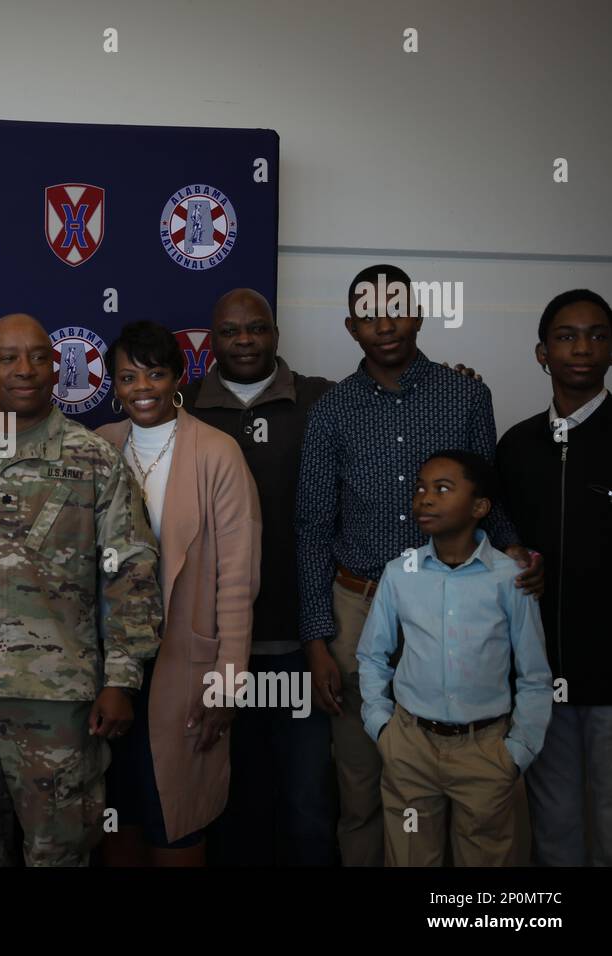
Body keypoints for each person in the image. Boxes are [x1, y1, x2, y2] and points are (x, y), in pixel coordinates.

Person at [296, 263, 544, 866]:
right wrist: (317, 638)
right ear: (352, 326)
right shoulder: (332, 408)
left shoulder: (466, 394)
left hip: (457, 600)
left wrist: (514, 553)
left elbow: (489, 499)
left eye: (397, 309)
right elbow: (311, 526)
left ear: (420, 314)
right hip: (359, 605)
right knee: (361, 782)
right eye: (371, 315)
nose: (386, 325)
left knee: (469, 791)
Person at [0, 313, 162, 867]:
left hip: (59, 706)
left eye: (39, 357)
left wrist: (123, 677)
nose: (25, 370)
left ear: (56, 367)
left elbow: (130, 572)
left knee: (60, 854)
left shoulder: (93, 459)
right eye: (8, 358)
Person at [176, 291, 335, 866]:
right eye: (230, 332)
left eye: (257, 329)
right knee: (225, 800)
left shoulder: (323, 399)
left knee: (308, 801)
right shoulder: (181, 405)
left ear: (276, 332)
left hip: (300, 641)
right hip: (211, 649)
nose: (244, 341)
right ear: (210, 340)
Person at [96, 320, 262, 866]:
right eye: (127, 376)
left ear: (178, 377)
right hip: (107, 669)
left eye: (155, 373)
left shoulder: (218, 453)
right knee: (116, 809)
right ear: (112, 384)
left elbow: (237, 580)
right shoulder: (99, 446)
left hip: (186, 668)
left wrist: (227, 683)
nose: (141, 387)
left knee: (176, 822)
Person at [358, 451, 551, 866]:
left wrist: (517, 753)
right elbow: (372, 656)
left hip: (485, 752)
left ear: (480, 507)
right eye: (421, 488)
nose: (425, 498)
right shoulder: (400, 573)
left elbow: (535, 675)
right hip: (410, 747)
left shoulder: (509, 578)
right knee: (409, 854)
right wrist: (382, 728)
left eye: (442, 489)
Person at [496, 288, 612, 866]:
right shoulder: (516, 446)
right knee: (556, 831)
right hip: (541, 679)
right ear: (542, 353)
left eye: (596, 335)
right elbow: (494, 536)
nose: (582, 348)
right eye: (566, 336)